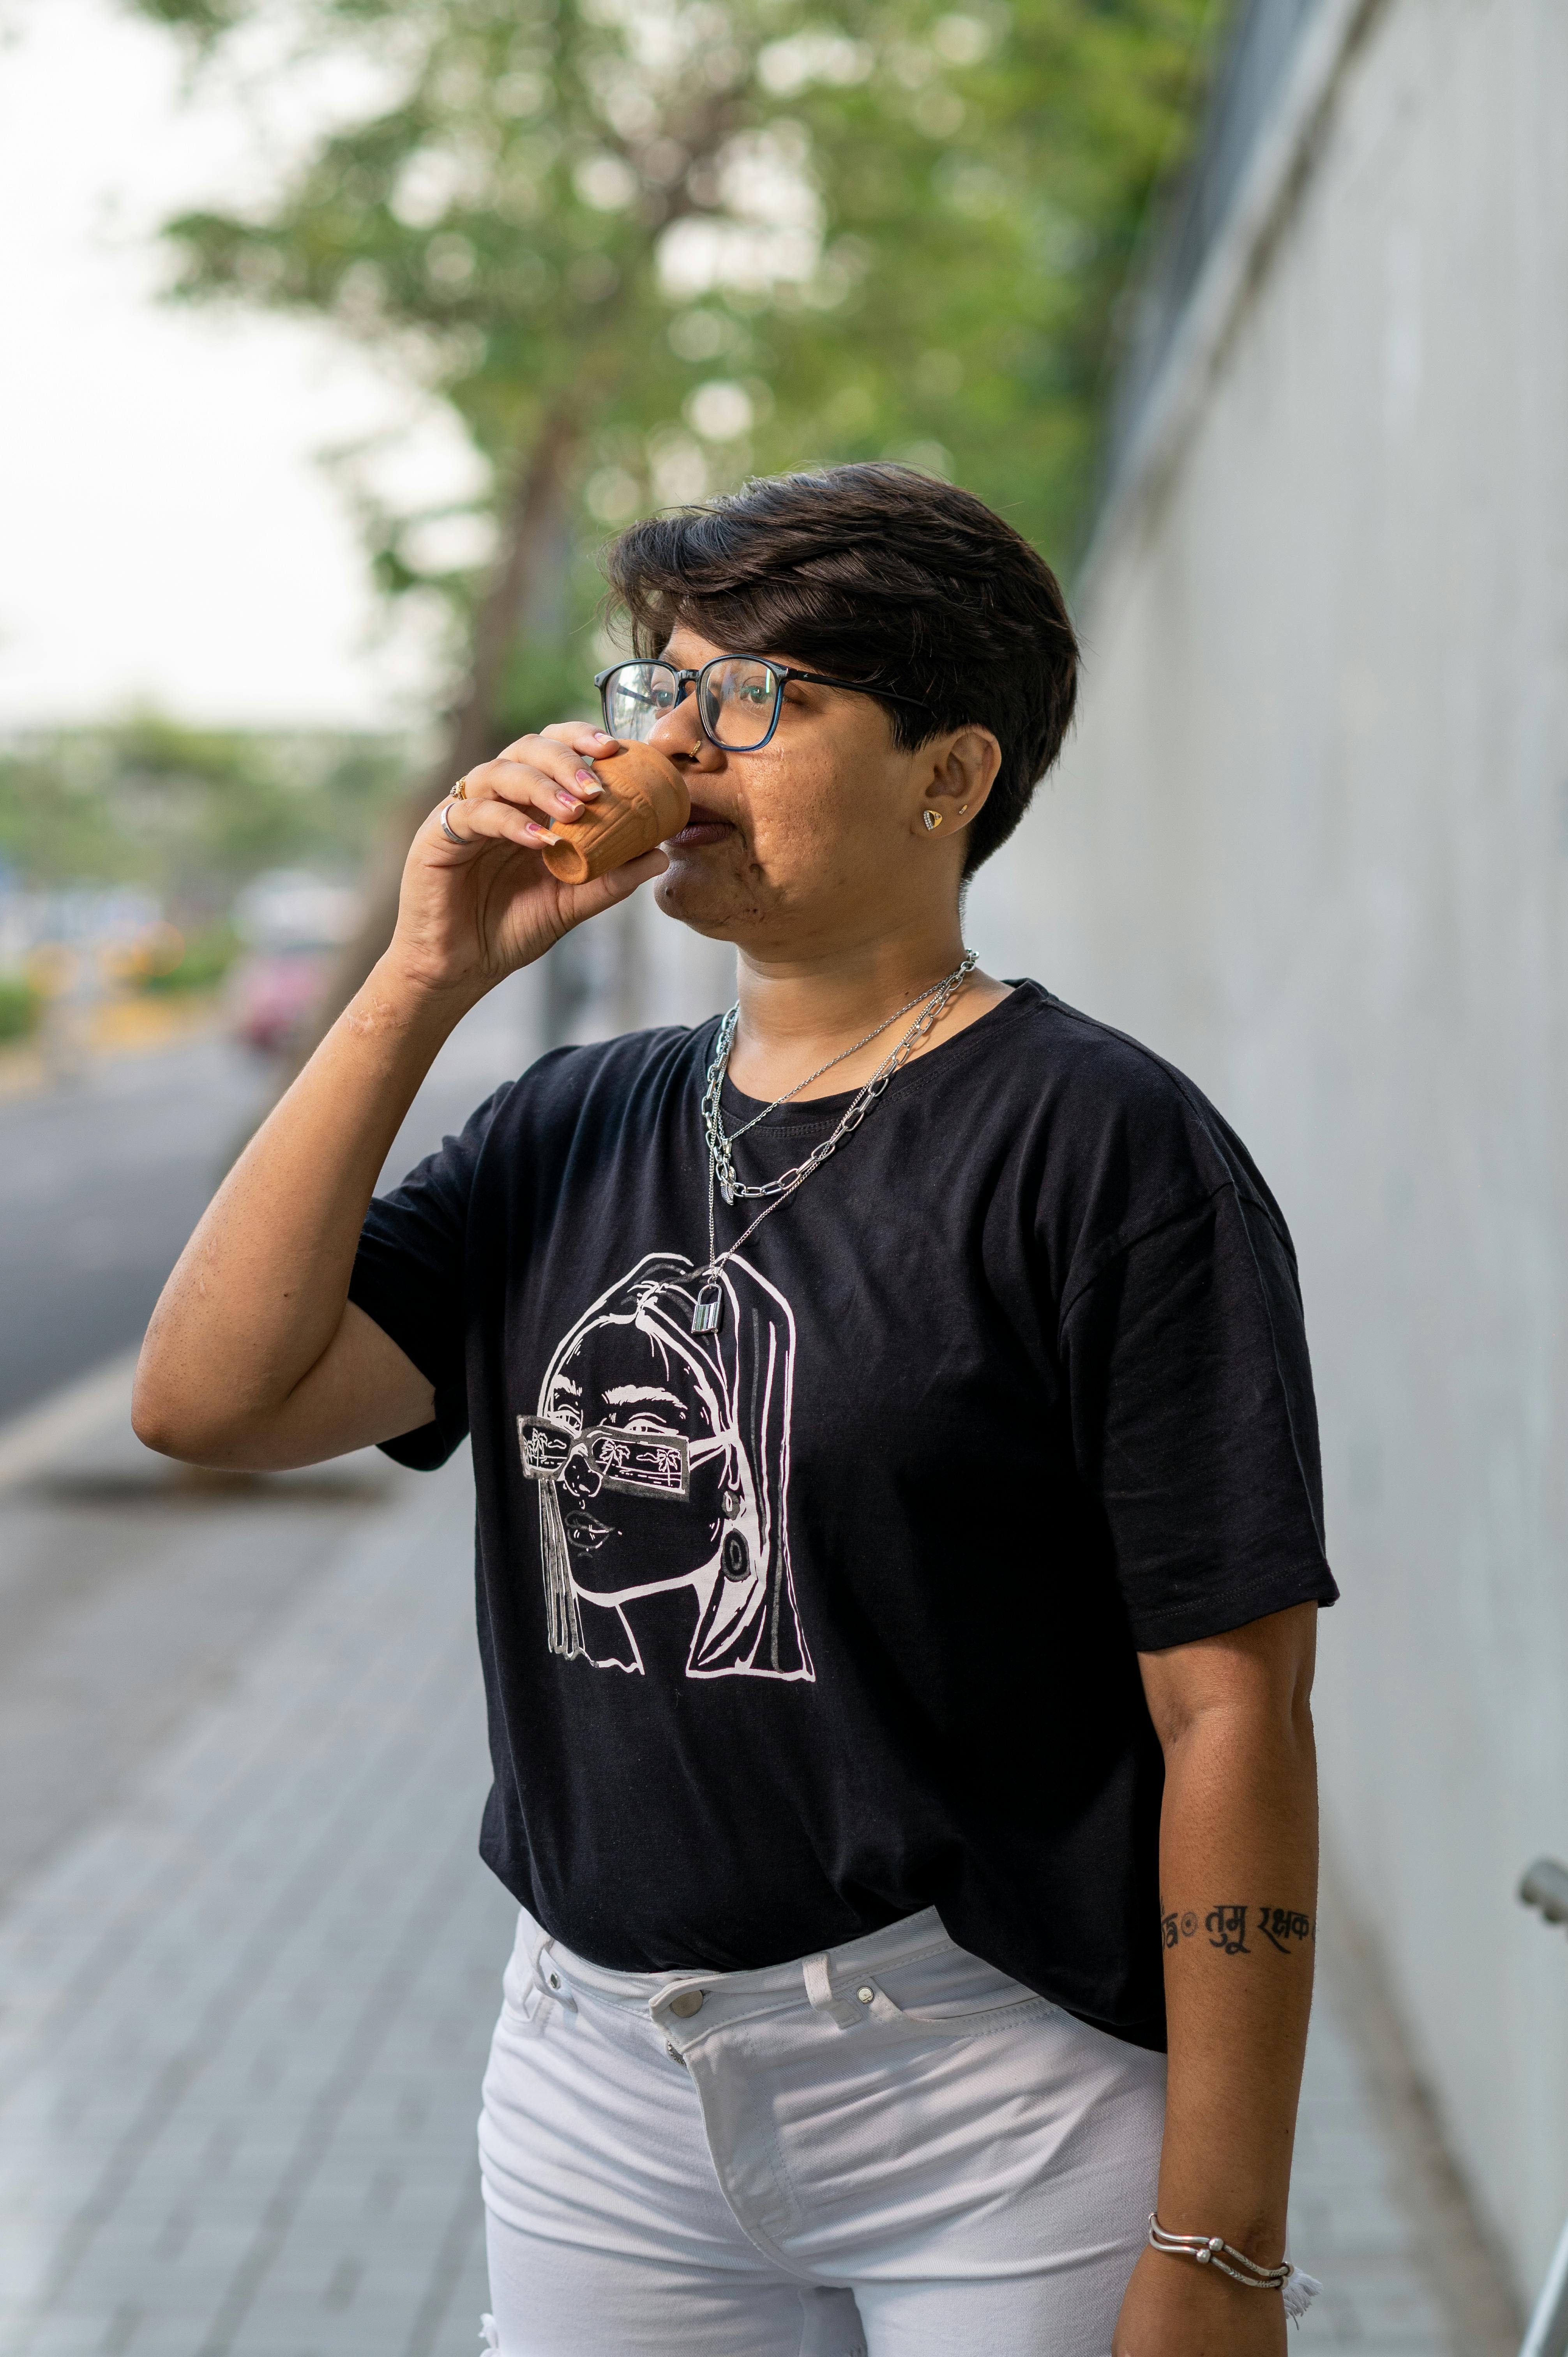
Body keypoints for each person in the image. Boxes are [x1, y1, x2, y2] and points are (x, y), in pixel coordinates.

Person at [135, 462, 1337, 2357]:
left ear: (949, 774)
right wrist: (423, 975)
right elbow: (212, 1401)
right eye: (655, 693)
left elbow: (1230, 1712)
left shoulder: (1103, 1148)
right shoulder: (570, 1124)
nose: (679, 753)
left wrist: (1222, 2243)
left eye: (753, 699)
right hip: (597, 2086)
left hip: (987, 2091)